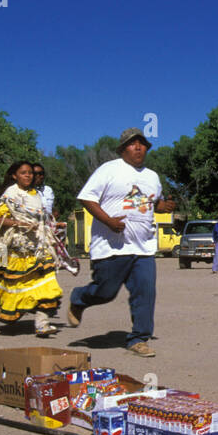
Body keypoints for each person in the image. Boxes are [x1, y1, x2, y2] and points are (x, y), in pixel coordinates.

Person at [66, 128, 177, 357]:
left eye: (142, 143)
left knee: (145, 292)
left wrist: (162, 207)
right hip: (111, 245)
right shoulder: (109, 170)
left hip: (143, 246)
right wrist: (107, 221)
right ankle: (79, 299)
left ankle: (139, 338)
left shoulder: (152, 176)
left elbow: (151, 202)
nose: (138, 147)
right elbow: (87, 198)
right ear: (122, 149)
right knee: (106, 292)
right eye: (132, 143)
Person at [0, 161, 62, 337]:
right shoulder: (11, 193)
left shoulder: (37, 195)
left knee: (47, 282)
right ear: (14, 175)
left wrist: (50, 228)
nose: (28, 176)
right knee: (4, 286)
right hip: (15, 249)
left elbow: (41, 219)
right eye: (24, 173)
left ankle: (42, 324)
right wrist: (20, 223)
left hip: (38, 248)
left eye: (30, 173)